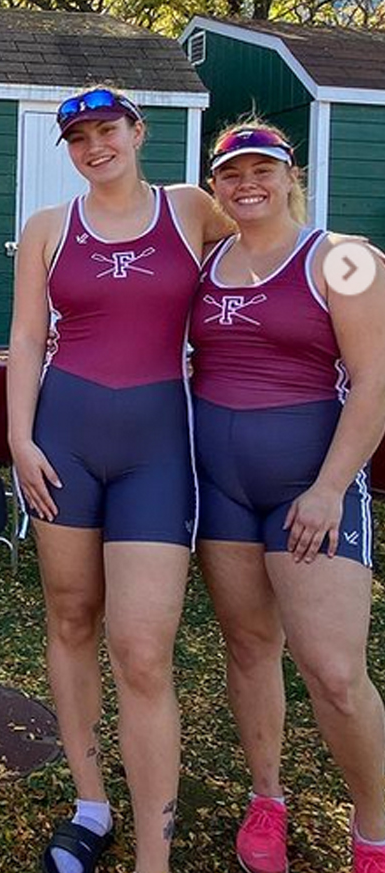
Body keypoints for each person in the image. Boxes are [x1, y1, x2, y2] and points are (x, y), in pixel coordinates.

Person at [7, 87, 232, 873]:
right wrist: (18, 439)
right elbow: (28, 338)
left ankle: (153, 855)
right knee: (71, 620)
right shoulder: (48, 228)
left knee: (141, 651)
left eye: (108, 129)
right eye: (78, 136)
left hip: (156, 450)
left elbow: (265, 256)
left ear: (139, 132)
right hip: (64, 443)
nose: (94, 145)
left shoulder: (192, 209)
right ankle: (91, 802)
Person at [185, 121, 385, 873]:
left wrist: (332, 487)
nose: (246, 185)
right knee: (249, 646)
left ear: (290, 172)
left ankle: (373, 828)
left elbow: (376, 380)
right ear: (218, 186)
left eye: (261, 170)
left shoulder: (348, 258)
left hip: (311, 490)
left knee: (334, 671)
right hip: (222, 490)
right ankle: (266, 796)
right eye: (231, 174)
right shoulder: (206, 259)